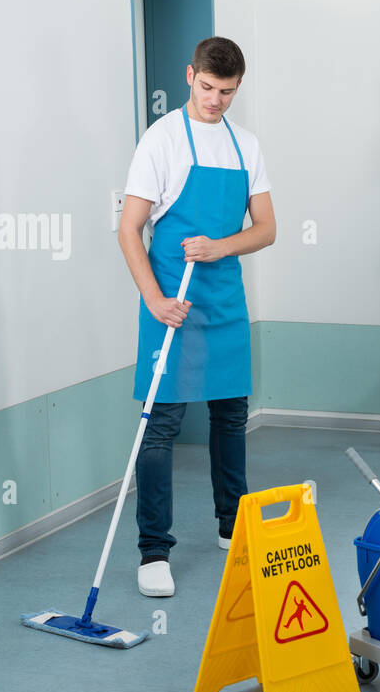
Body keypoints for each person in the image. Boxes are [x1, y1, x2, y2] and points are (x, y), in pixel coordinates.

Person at [117, 36, 276, 596]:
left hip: (225, 303)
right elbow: (128, 229)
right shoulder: (160, 140)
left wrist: (221, 246)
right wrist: (155, 300)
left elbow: (266, 229)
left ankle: (234, 528)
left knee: (231, 417)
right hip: (171, 304)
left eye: (227, 92)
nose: (215, 101)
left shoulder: (245, 146)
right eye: (208, 88)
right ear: (190, 76)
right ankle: (153, 551)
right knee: (160, 427)